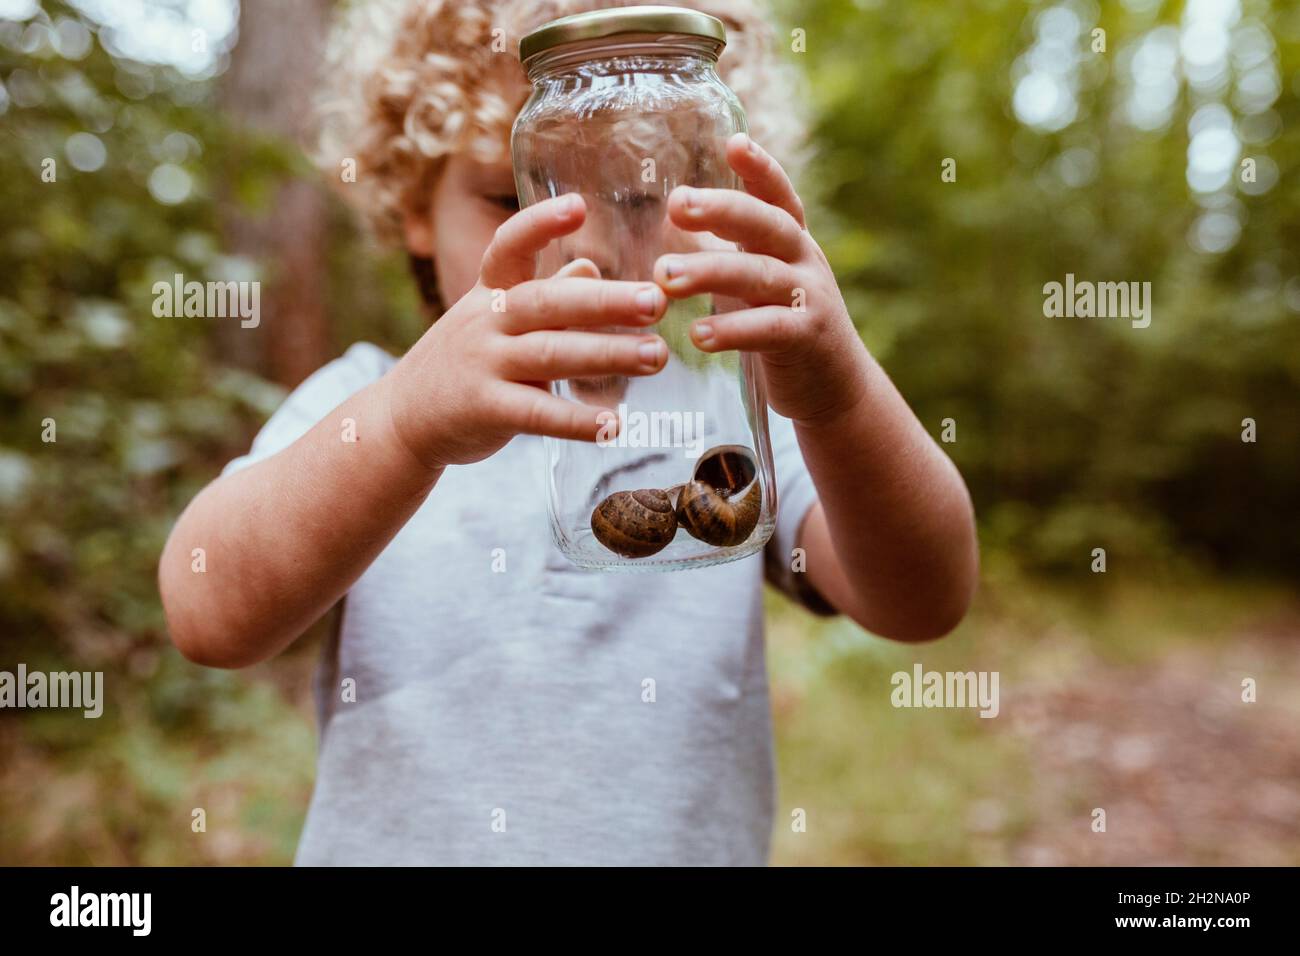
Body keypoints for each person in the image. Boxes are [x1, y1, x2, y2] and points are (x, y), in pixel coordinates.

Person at [158, 0, 979, 865]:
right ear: (411, 204)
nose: (581, 246)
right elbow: (207, 612)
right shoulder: (366, 406)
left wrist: (838, 396)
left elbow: (924, 597)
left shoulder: (726, 414)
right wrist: (405, 430)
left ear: (703, 203)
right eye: (514, 197)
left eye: (634, 195)